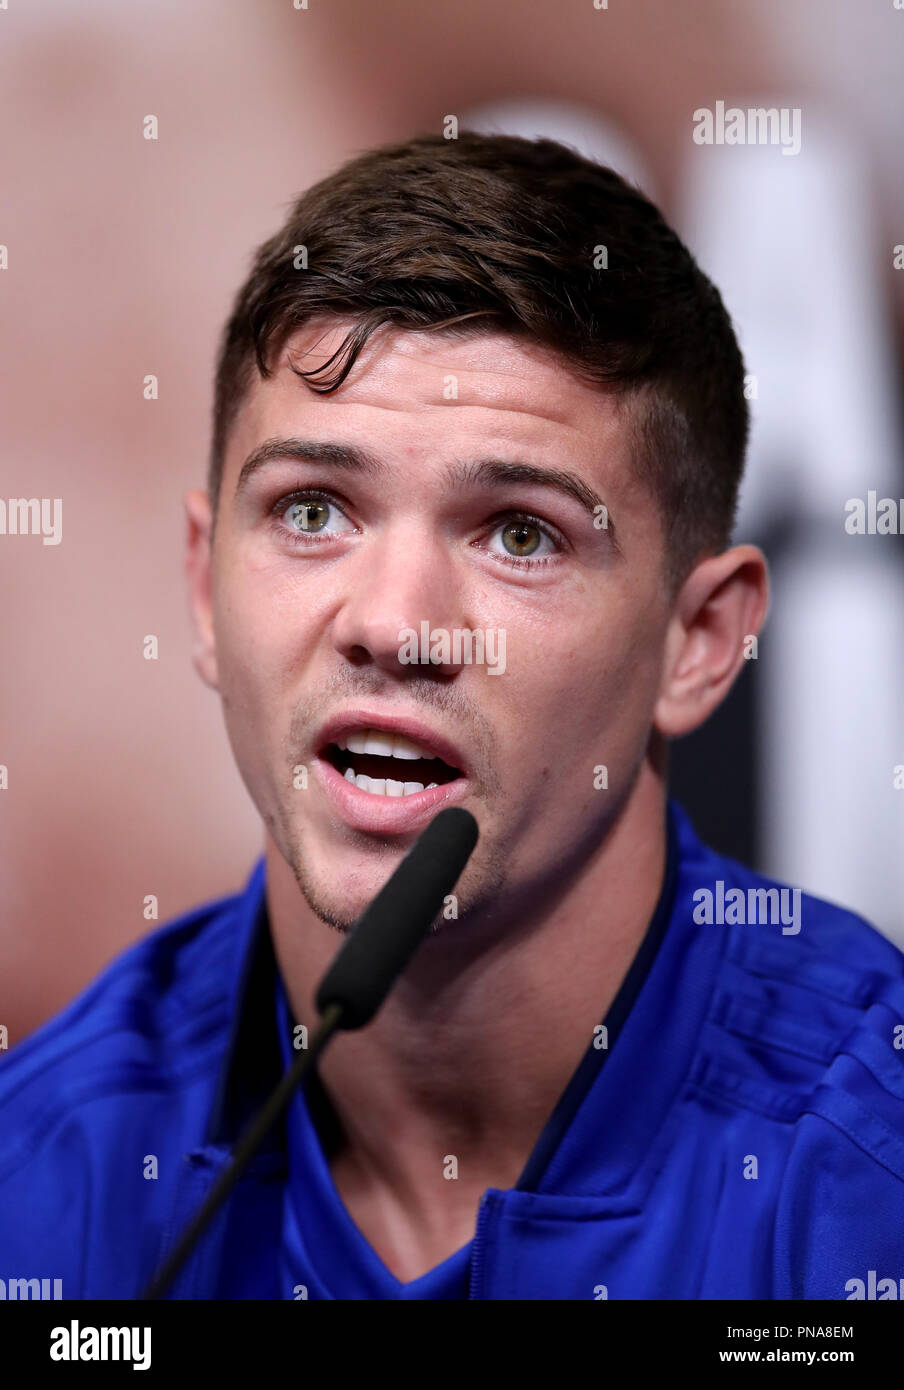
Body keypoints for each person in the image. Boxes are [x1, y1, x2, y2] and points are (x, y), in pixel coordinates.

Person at [2, 132, 903, 1301]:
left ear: (699, 641)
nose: (394, 623)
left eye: (519, 533)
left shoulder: (864, 1175)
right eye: (314, 509)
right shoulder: (43, 1179)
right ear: (202, 586)